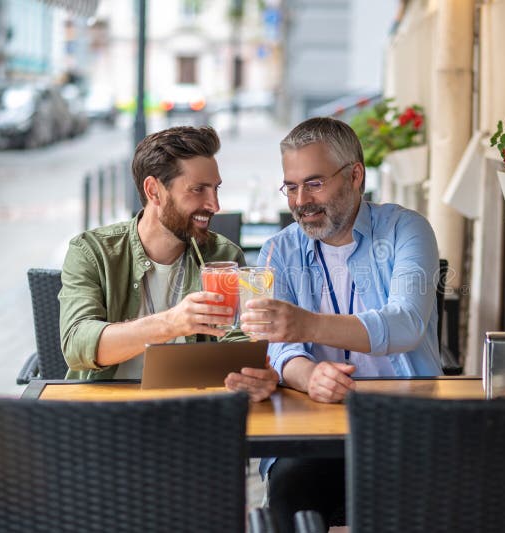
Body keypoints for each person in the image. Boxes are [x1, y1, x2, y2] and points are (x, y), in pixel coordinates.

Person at [239, 117, 442, 531]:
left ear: (354, 176)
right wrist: (310, 375)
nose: (300, 200)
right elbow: (278, 349)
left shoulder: (407, 229)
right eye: (291, 186)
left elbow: (405, 324)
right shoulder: (279, 249)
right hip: (310, 427)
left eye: (314, 183)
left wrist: (307, 325)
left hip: (402, 424)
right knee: (288, 500)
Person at [59, 126, 278, 401]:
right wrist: (172, 323)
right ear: (154, 191)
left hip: (192, 412)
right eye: (198, 190)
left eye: (215, 189)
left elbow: (239, 341)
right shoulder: (93, 252)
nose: (214, 204)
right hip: (106, 416)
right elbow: (78, 344)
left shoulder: (222, 256)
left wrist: (257, 376)